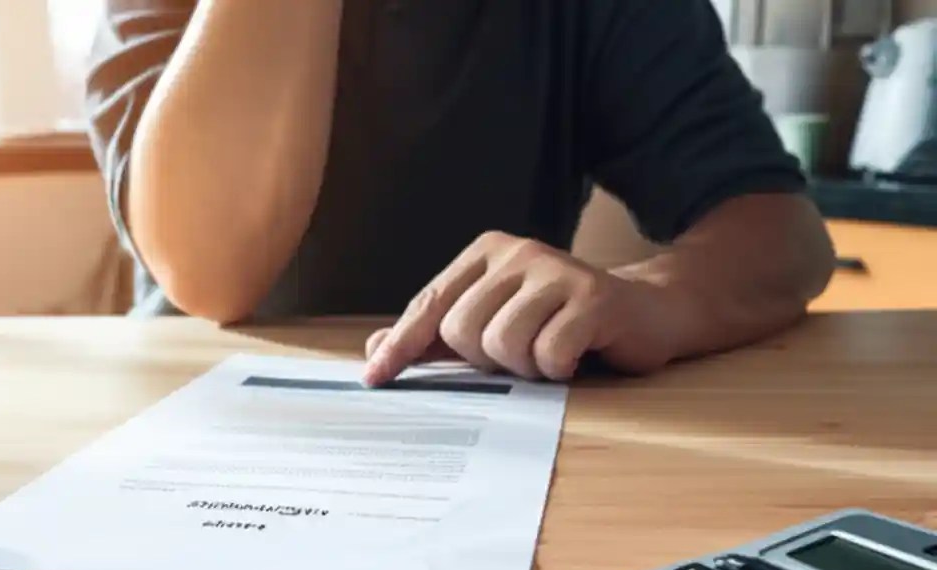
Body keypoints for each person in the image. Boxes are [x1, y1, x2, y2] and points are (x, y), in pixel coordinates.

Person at [82, 0, 835, 385]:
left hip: (498, 438)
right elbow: (213, 270)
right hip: (193, 423)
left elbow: (778, 229)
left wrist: (659, 299)